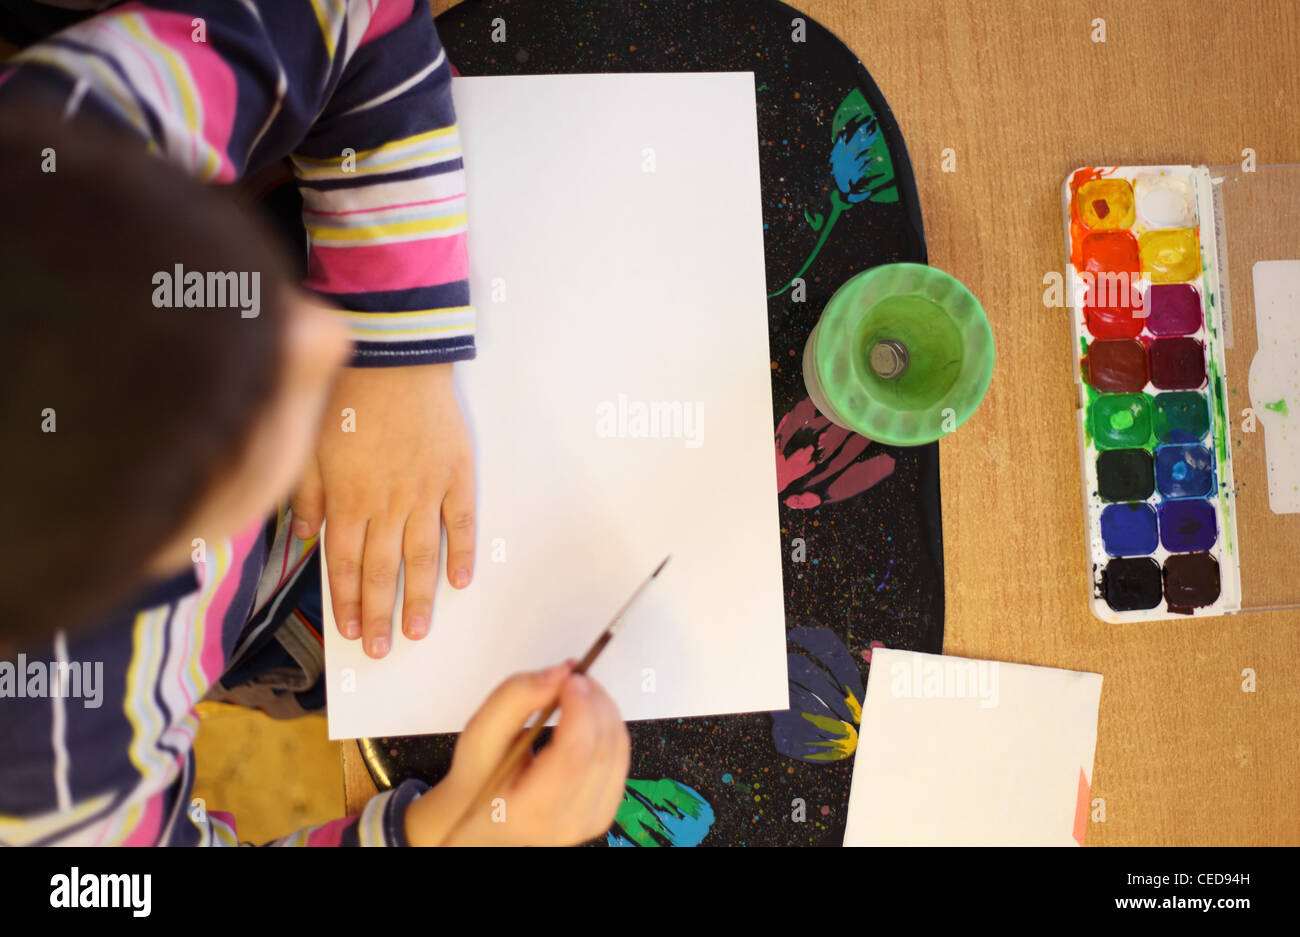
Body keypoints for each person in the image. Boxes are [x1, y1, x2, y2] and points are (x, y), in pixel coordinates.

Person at [0, 1, 630, 846]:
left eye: (216, 275)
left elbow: (360, 16)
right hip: (255, 642)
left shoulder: (70, 138)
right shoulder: (55, 784)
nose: (319, 337)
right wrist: (447, 834)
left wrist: (394, 353)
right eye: (253, 411)